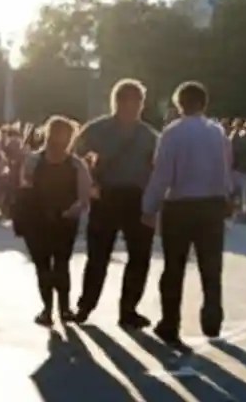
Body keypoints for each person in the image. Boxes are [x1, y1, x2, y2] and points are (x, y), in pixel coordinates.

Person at [141, 81, 232, 350]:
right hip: (212, 204)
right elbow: (224, 169)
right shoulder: (217, 132)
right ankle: (212, 317)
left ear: (180, 103)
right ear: (204, 104)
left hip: (180, 205)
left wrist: (149, 206)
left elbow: (162, 174)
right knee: (211, 266)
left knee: (174, 268)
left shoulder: (172, 134)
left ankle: (171, 324)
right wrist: (227, 197)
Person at [72, 79, 159, 327]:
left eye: (137, 102)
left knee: (139, 257)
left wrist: (154, 202)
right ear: (117, 102)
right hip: (106, 195)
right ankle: (85, 305)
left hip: (137, 198)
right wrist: (88, 183)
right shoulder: (97, 129)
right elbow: (75, 156)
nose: (134, 107)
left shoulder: (149, 135)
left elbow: (157, 168)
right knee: (98, 256)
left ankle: (128, 310)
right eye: (130, 101)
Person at [17, 116, 92, 325]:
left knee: (60, 264)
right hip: (37, 220)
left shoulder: (77, 164)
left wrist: (73, 210)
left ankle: (64, 308)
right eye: (57, 135)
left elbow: (83, 196)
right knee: (43, 266)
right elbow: (25, 188)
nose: (60, 141)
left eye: (65, 136)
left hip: (64, 220)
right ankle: (48, 309)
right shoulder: (33, 160)